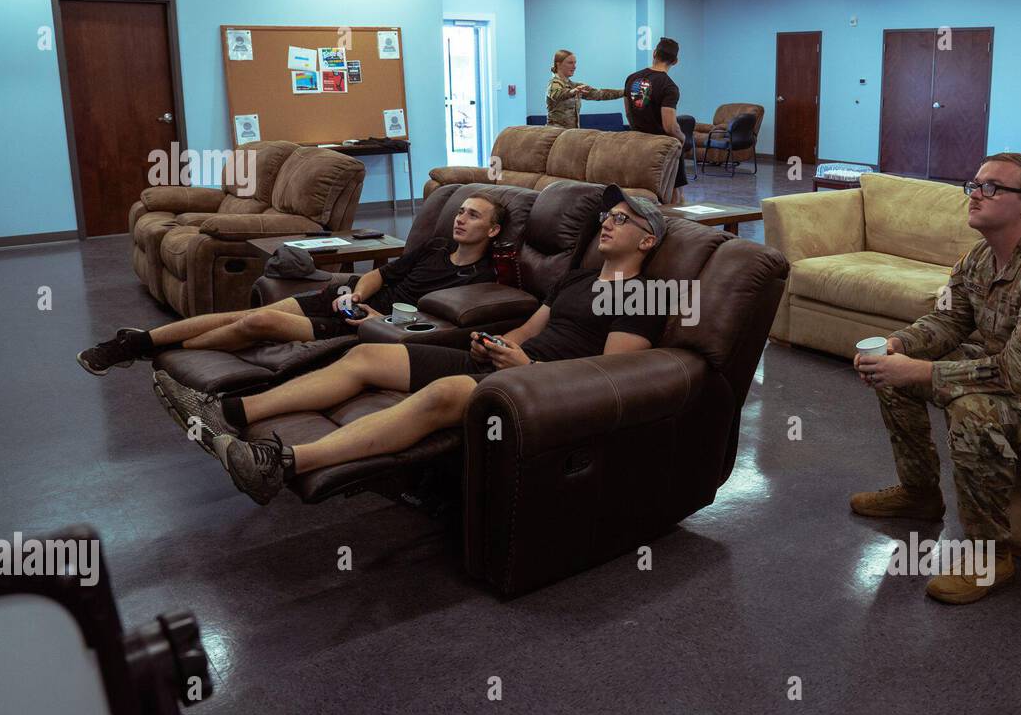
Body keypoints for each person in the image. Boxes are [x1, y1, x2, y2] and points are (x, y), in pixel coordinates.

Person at [153, 186, 671, 505]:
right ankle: (229, 411)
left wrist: (526, 368)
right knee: (367, 355)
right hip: (510, 367)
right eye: (607, 216)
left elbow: (609, 378)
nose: (607, 222)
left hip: (545, 387)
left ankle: (283, 464)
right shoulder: (577, 281)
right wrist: (499, 345)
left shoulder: (644, 295)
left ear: (648, 241)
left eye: (623, 219)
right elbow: (528, 330)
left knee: (444, 393)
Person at [850, 152, 1021, 605]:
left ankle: (991, 557)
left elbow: (1017, 374)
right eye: (974, 184)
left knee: (973, 410)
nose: (975, 194)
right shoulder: (979, 257)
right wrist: (898, 346)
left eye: (992, 187)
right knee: (892, 375)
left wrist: (921, 369)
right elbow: (948, 322)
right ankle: (920, 494)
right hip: (1019, 372)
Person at [77, 195, 504, 374]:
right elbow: (381, 273)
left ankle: (160, 350)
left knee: (254, 325)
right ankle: (135, 343)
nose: (461, 219)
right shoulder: (433, 247)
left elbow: (432, 322)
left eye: (473, 216)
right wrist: (356, 295)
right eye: (460, 212)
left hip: (368, 326)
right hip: (350, 299)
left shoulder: (480, 279)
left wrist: (374, 319)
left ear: (494, 231)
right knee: (243, 314)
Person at [624, 37, 688, 195]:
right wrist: (682, 137)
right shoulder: (669, 87)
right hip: (662, 146)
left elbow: (628, 112)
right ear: (675, 61)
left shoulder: (631, 78)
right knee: (675, 195)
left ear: (654, 53)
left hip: (636, 143)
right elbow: (669, 126)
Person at [545, 50, 623, 129]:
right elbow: (556, 94)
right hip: (555, 134)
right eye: (570, 63)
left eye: (575, 63)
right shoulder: (553, 83)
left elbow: (599, 94)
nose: (574, 66)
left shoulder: (576, 86)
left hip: (571, 134)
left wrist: (625, 92)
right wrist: (572, 92)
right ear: (559, 64)